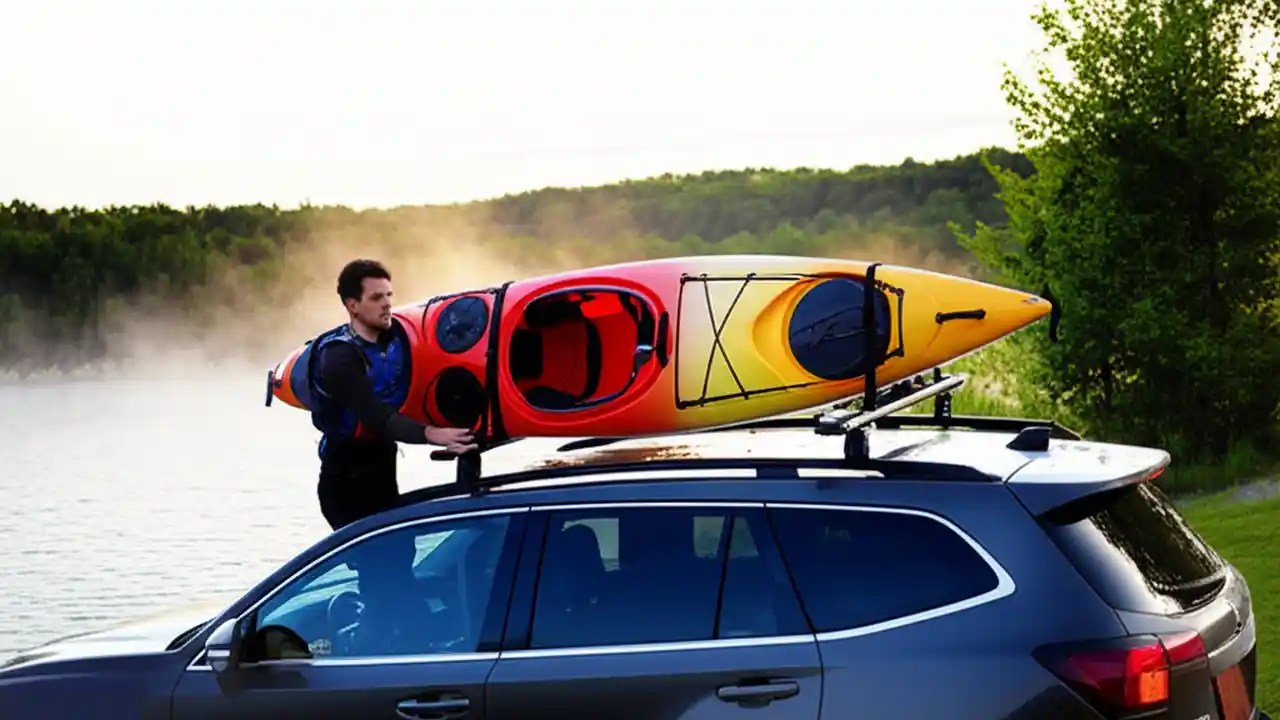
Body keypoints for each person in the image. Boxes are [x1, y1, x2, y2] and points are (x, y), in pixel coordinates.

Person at [307, 258, 478, 531]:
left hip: (383, 464)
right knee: (376, 552)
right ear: (353, 306)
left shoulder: (396, 337)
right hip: (345, 476)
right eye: (376, 298)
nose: (387, 303)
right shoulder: (337, 358)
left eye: (389, 295)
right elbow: (375, 415)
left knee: (402, 550)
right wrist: (431, 434)